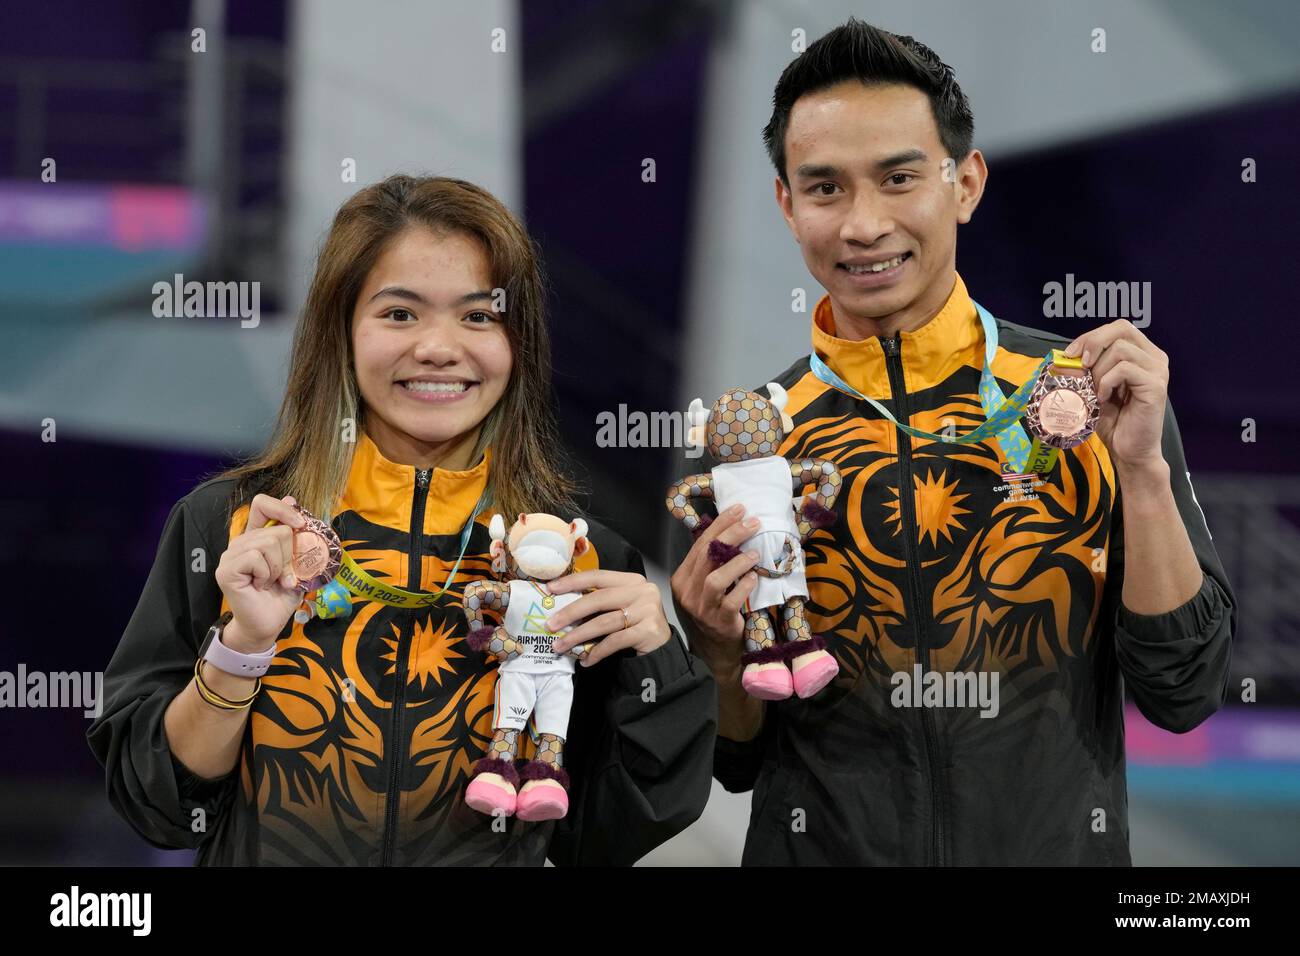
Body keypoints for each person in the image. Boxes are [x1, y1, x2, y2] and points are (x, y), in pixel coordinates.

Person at [669, 19, 1235, 865]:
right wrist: (714, 650)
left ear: (965, 183)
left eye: (899, 178)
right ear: (787, 205)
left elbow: (1185, 691)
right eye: (824, 189)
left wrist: (1144, 474)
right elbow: (737, 761)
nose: (863, 224)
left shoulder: (1079, 397)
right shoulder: (752, 438)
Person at [88, 174, 716, 866]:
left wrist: (658, 655)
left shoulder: (577, 557)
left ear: (519, 343)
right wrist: (241, 648)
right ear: (341, 331)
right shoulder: (235, 529)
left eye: (479, 316)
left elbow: (604, 835)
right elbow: (163, 806)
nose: (440, 348)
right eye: (400, 314)